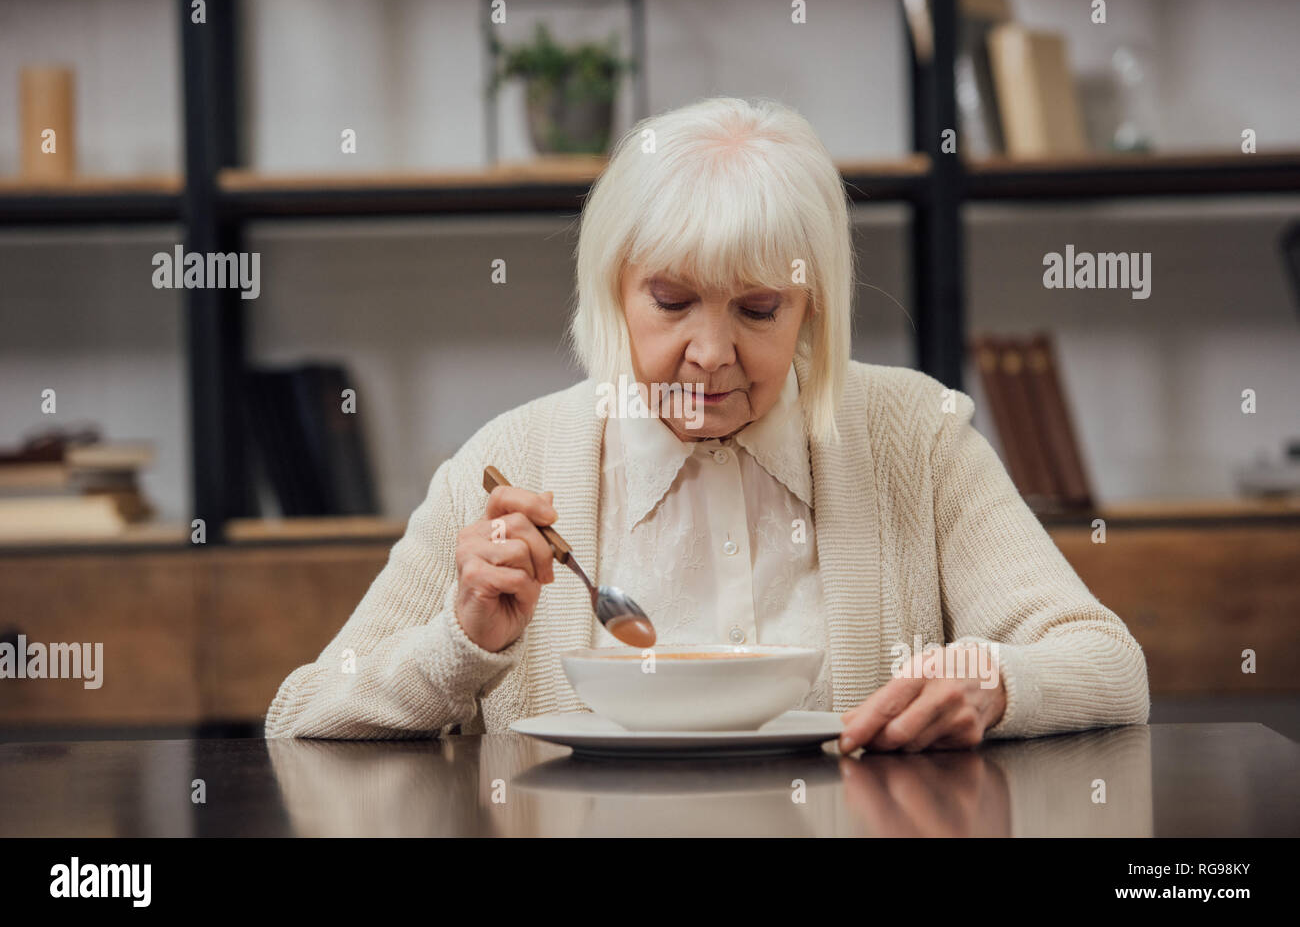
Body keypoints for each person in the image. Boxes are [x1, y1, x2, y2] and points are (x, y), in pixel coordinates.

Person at [264, 96, 1149, 751]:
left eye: (759, 309)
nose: (711, 353)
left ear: (813, 311)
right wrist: (464, 642)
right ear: (615, 288)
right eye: (673, 300)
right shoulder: (506, 462)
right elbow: (301, 713)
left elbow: (1107, 661)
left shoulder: (916, 437)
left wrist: (990, 681)